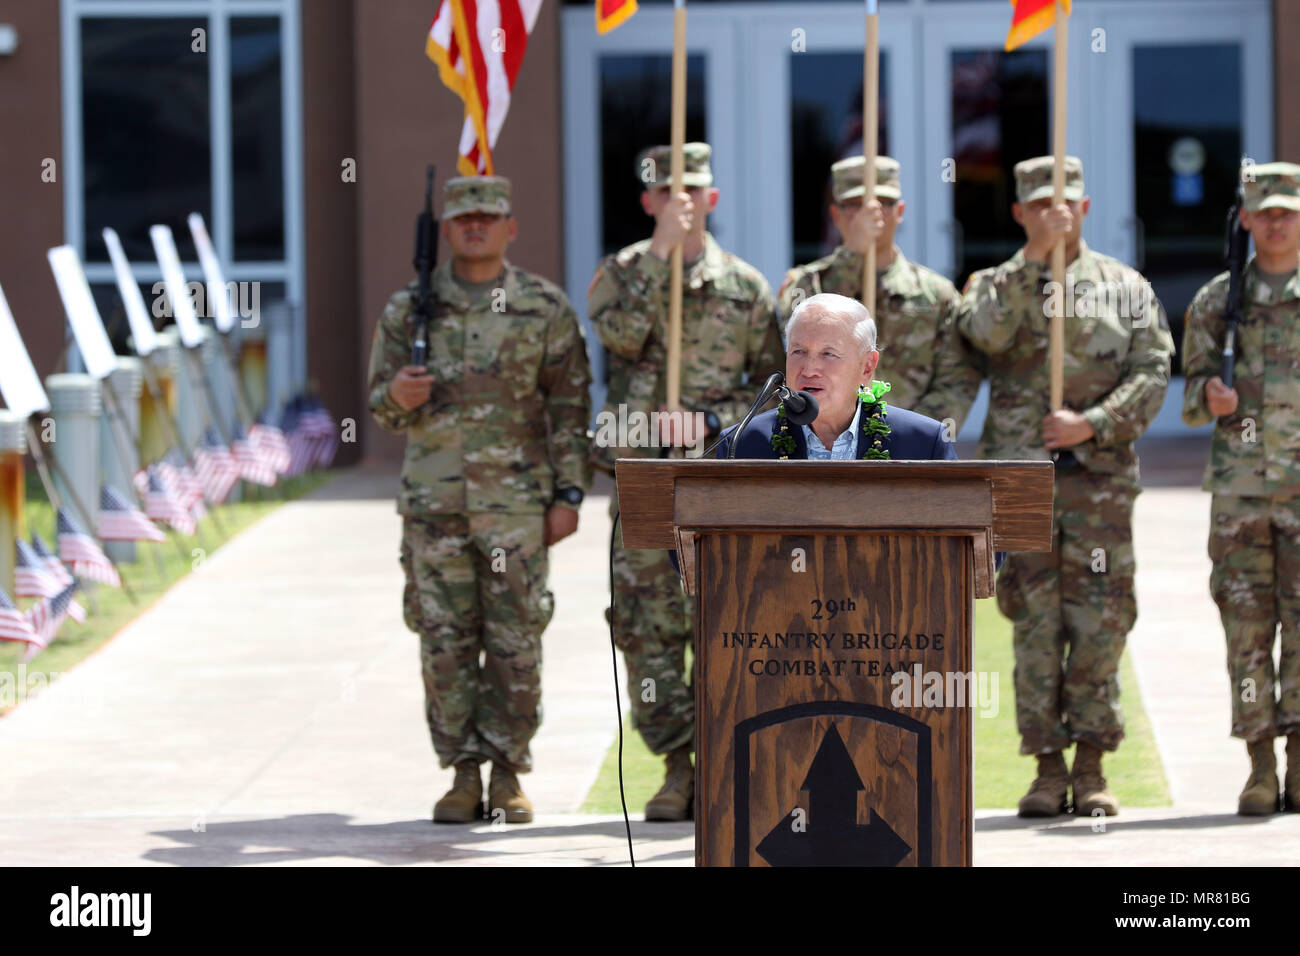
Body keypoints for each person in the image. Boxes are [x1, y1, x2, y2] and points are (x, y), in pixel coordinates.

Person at [366, 175, 592, 825]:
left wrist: (569, 492)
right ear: (446, 229)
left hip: (516, 506)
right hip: (435, 506)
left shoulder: (543, 307)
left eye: (489, 216)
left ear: (509, 228)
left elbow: (570, 405)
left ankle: (509, 772)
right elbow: (379, 404)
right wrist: (396, 398)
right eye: (464, 217)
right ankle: (463, 772)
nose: (476, 226)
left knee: (516, 640)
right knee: (444, 642)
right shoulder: (409, 308)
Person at [955, 156, 1174, 818]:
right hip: (1023, 482)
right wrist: (1033, 259)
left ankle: (1093, 764)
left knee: (1101, 623)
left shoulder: (1125, 286)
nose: (1058, 213)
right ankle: (1046, 769)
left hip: (1099, 485)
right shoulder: (995, 283)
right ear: (1020, 212)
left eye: (1068, 203)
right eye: (1040, 205)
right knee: (1034, 625)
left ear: (1084, 206)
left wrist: (1092, 424)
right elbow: (983, 332)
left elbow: (1154, 369)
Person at [588, 142, 785, 821]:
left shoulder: (746, 288)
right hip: (645, 481)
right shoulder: (619, 275)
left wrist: (706, 421)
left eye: (694, 190)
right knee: (646, 630)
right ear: (647, 201)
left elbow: (775, 394)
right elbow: (618, 337)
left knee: (729, 627)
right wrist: (659, 257)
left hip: (718, 485)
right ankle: (677, 764)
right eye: (668, 192)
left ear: (713, 199)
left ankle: (730, 761)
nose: (683, 200)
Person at [1182, 161, 1300, 815]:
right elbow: (1189, 400)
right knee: (1247, 631)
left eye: (1288, 209)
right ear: (1247, 219)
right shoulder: (1217, 302)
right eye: (1266, 211)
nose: (1277, 221)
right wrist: (1211, 396)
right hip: (1241, 494)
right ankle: (1259, 765)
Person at [778, 156, 982, 435]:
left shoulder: (935, 293)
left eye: (883, 205)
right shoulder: (808, 282)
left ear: (900, 211)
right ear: (836, 215)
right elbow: (794, 347)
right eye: (855, 205)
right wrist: (853, 254)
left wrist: (909, 431)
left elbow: (958, 377)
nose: (870, 215)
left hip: (906, 446)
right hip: (823, 437)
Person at [717, 292, 957, 462]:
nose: (809, 369)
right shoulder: (740, 443)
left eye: (828, 354)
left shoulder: (924, 443)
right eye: (799, 352)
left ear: (867, 367)